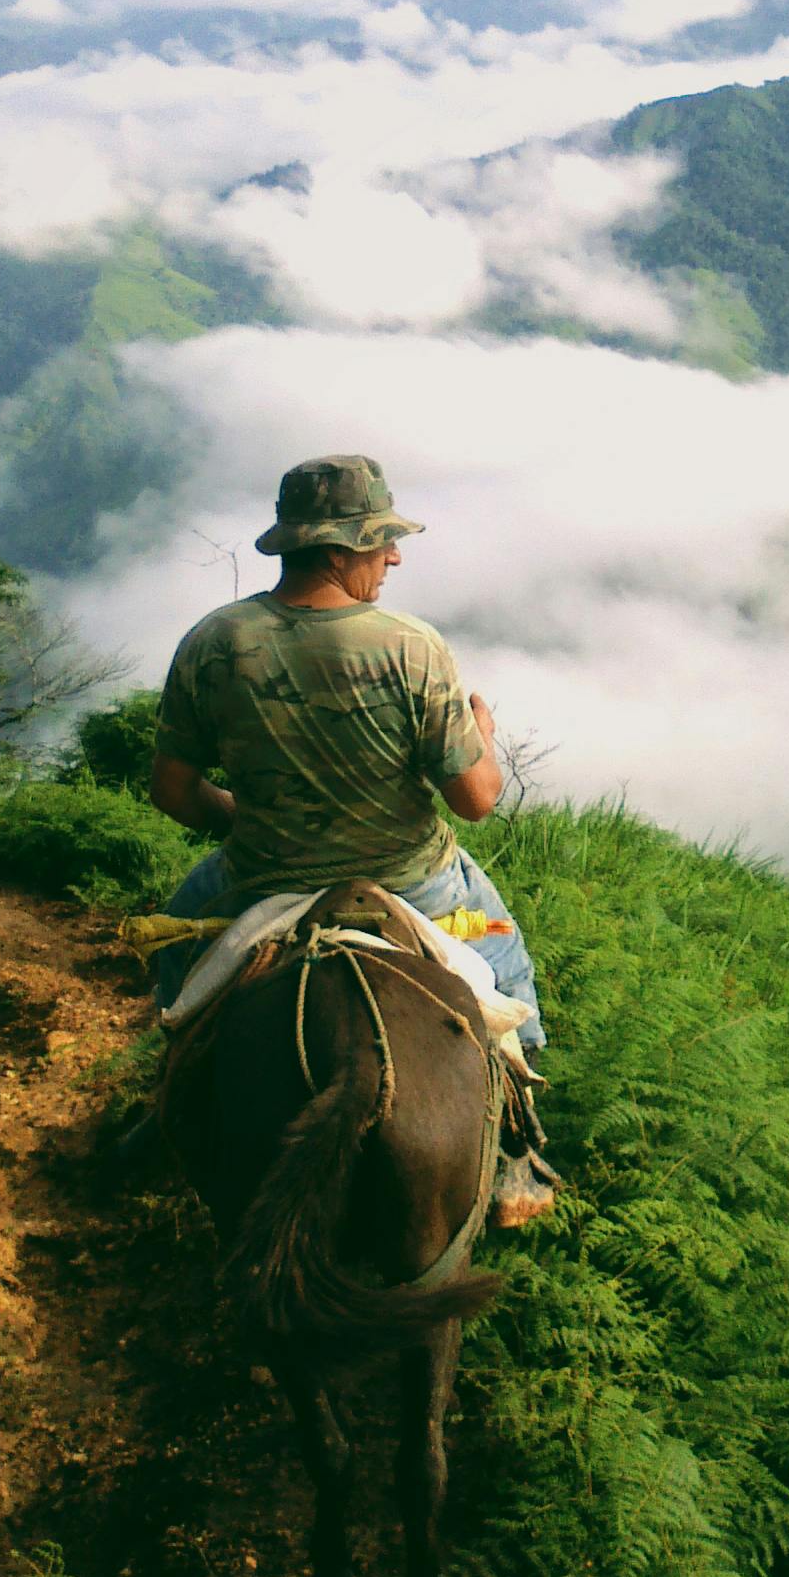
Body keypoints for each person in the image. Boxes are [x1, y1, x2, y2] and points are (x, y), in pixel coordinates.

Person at [145, 453, 552, 1212]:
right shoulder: (411, 646)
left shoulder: (215, 641)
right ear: (339, 549)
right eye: (380, 543)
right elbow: (475, 802)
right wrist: (483, 735)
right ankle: (522, 1149)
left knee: (175, 960)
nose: (393, 556)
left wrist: (238, 817)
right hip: (413, 883)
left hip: (261, 878)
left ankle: (168, 1097)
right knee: (506, 955)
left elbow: (171, 789)